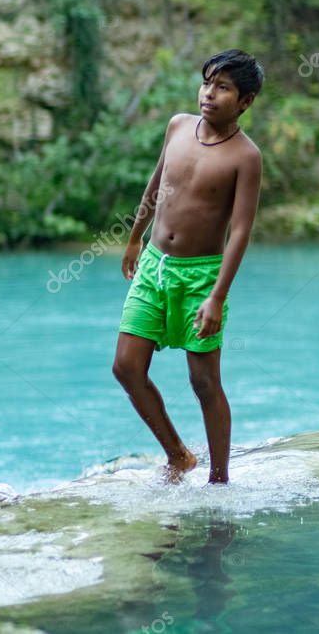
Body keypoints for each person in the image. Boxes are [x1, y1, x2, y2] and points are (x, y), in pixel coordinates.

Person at [112, 49, 264, 485]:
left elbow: (239, 231)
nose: (209, 94)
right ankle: (178, 455)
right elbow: (156, 184)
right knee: (126, 367)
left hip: (202, 276)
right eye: (206, 83)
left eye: (223, 87)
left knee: (203, 381)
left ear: (245, 101)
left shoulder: (245, 157)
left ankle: (219, 480)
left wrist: (217, 295)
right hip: (155, 266)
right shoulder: (178, 126)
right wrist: (135, 236)